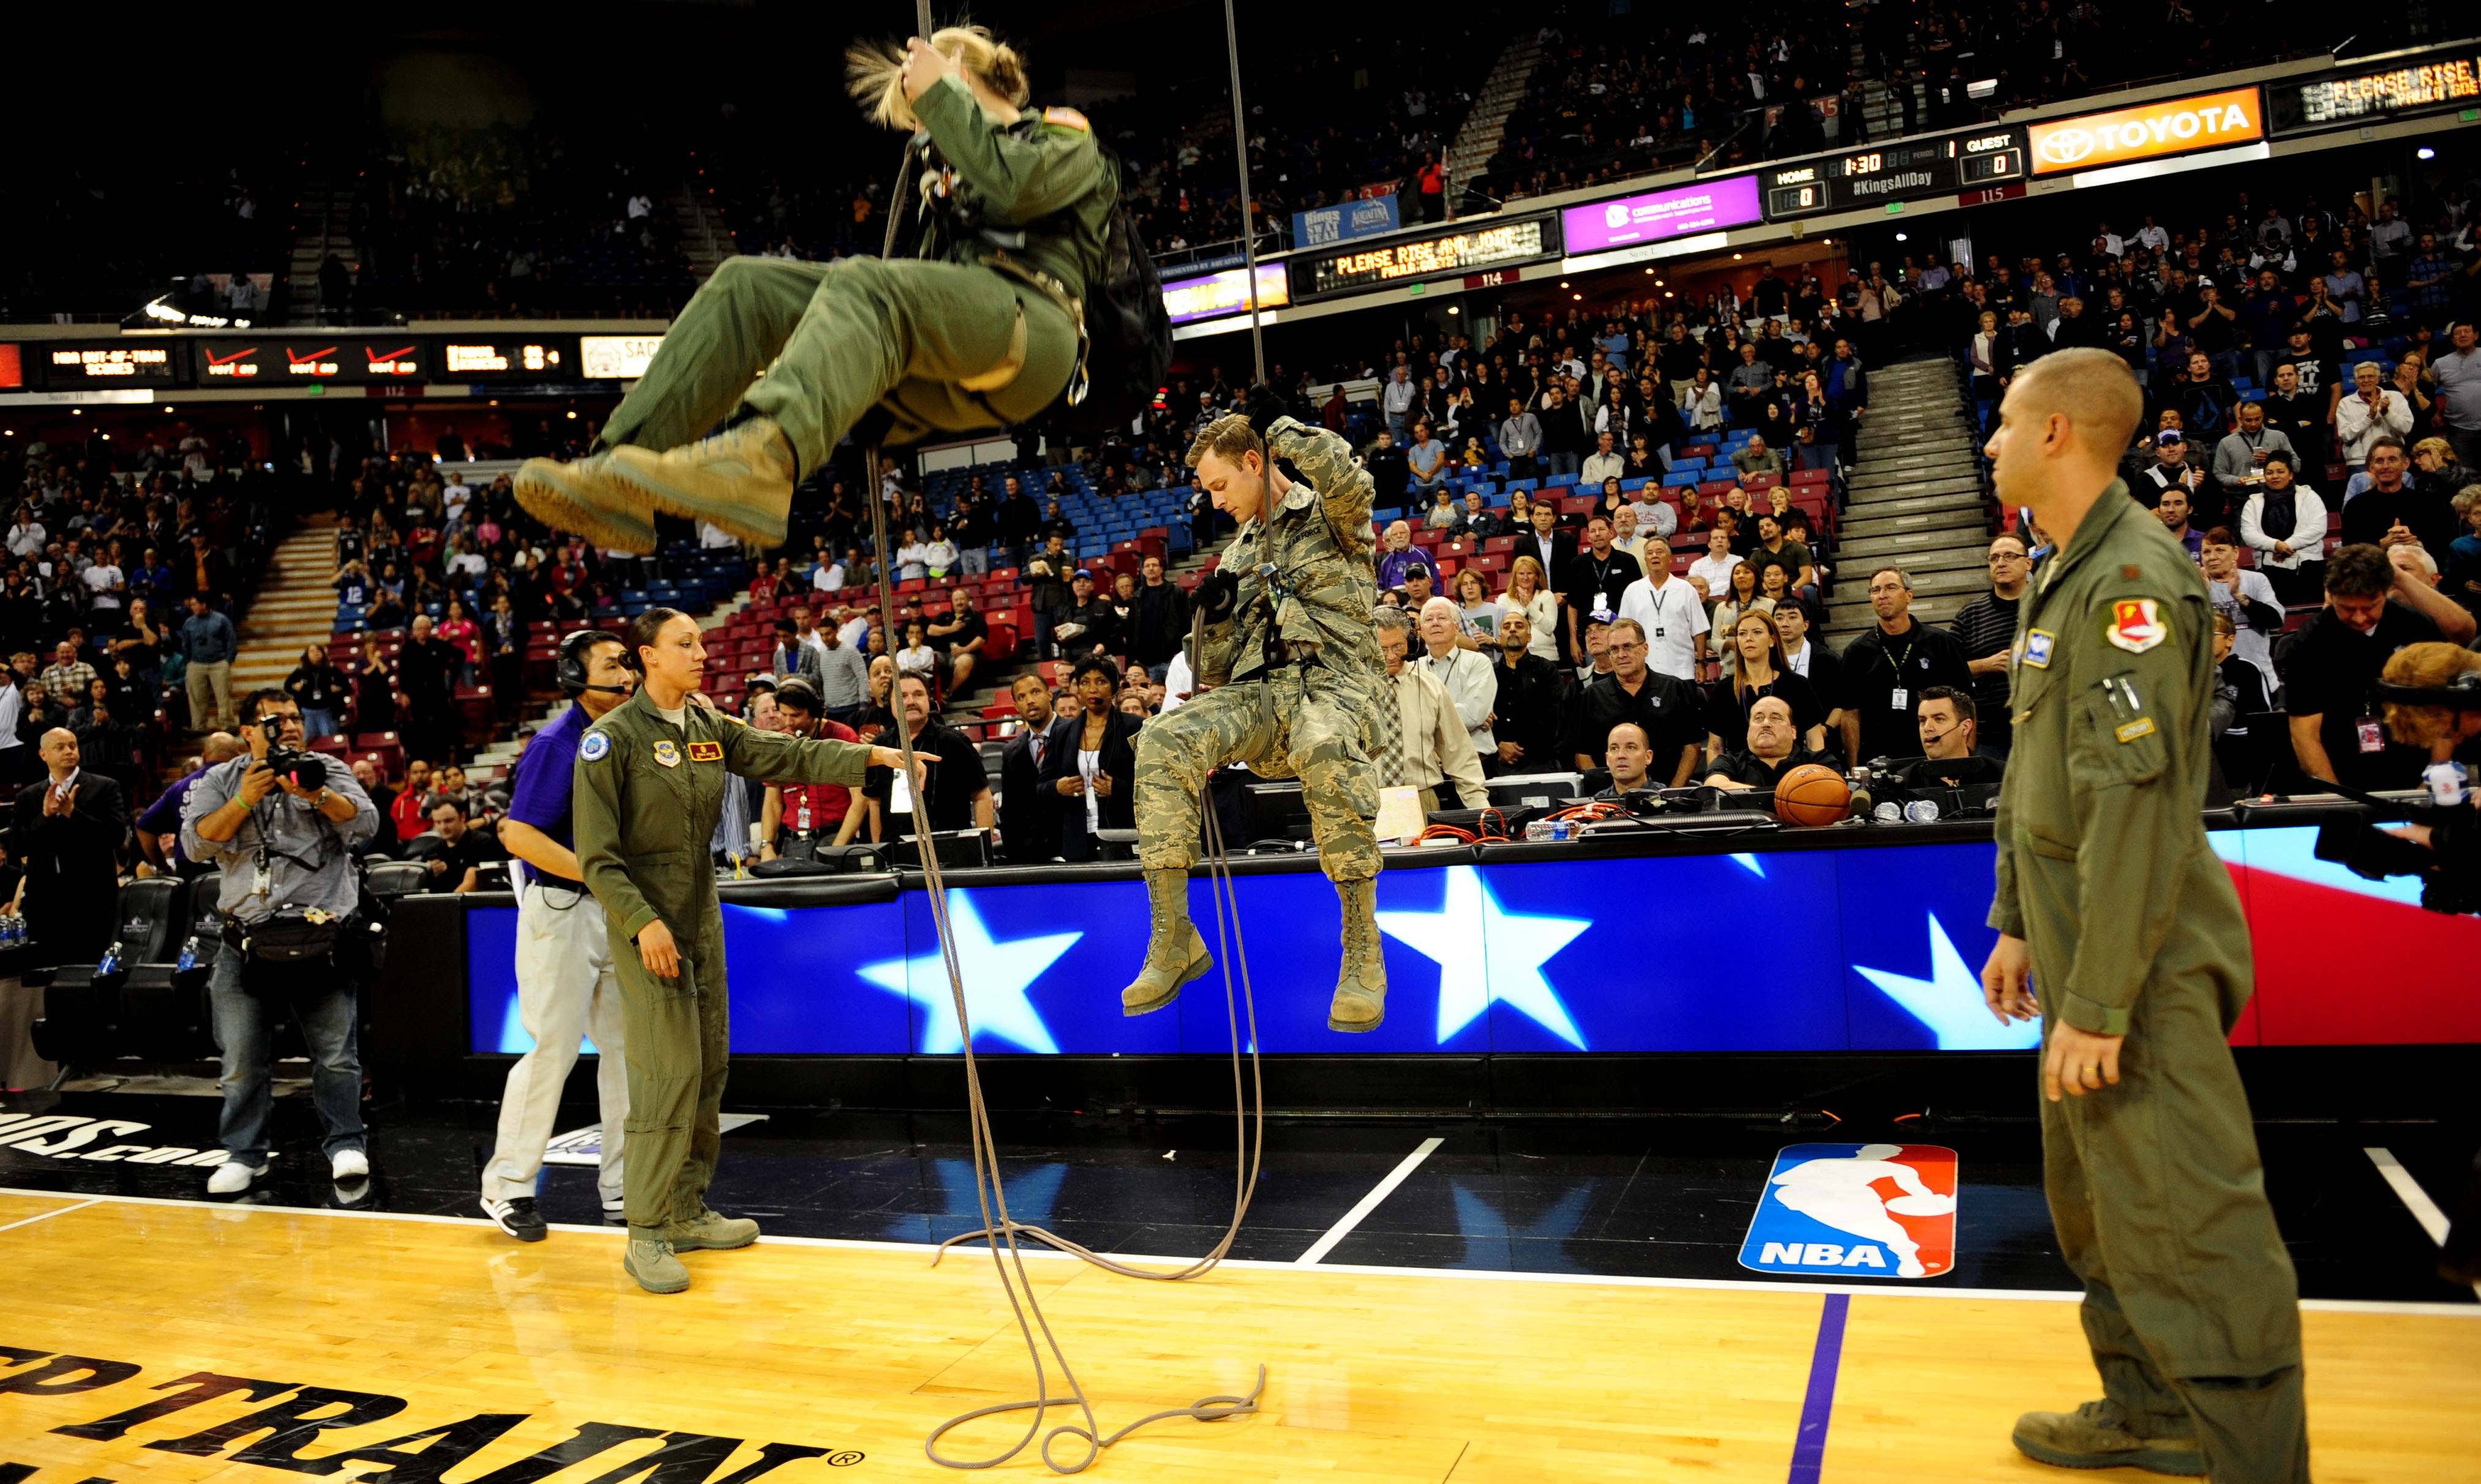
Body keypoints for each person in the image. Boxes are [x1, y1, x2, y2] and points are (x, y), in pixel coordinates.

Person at [1978, 345, 2308, 1482]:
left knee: (2193, 1224)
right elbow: (2041, 779)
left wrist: (2104, 998)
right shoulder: (2067, 569)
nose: (1993, 442)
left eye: (2008, 422)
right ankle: (2150, 1409)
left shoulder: (2131, 582)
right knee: (2102, 1204)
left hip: (2138, 967)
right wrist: (2016, 916)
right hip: (2077, 949)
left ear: (2058, 434)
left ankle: (2256, 1458)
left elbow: (2132, 808)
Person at [514, 27, 1106, 554]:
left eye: (923, 113)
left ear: (960, 73)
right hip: (966, 345)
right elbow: (928, 296)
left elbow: (1018, 189)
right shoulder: (952, 175)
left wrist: (943, 99)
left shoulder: (1061, 134)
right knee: (749, 286)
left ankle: (761, 460)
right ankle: (616, 476)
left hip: (1039, 326)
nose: (925, 132)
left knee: (862, 281)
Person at [572, 607, 925, 1293]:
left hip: (701, 915)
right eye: (685, 643)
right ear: (647, 657)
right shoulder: (609, 742)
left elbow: (787, 754)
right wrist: (643, 923)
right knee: (664, 1076)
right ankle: (645, 1231)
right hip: (647, 927)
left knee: (707, 1068)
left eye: (703, 640)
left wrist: (871, 755)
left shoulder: (707, 725)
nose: (702, 652)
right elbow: (597, 856)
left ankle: (686, 1210)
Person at [1128, 398, 1398, 1033]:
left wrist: (1279, 428)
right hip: (1260, 700)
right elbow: (1214, 674)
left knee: (1325, 745)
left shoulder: (1331, 516)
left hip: (1334, 690)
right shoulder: (1235, 555)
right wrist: (1213, 619)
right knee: (1160, 739)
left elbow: (1346, 476)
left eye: (1221, 484)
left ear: (1255, 462)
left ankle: (1362, 951)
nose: (1214, 500)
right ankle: (1174, 938)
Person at [179, 689, 381, 1196]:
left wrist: (314, 796)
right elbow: (195, 844)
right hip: (244, 940)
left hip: (321, 938)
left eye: (295, 718)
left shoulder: (325, 769)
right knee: (242, 1059)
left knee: (337, 1054)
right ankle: (245, 1154)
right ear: (248, 731)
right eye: (276, 720)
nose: (290, 726)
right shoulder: (220, 779)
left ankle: (345, 1143)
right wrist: (245, 798)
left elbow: (368, 823)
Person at [479, 630, 639, 1240]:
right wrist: (601, 875)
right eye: (612, 665)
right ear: (578, 680)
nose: (626, 673)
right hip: (563, 907)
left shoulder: (623, 735)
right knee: (554, 1049)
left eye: (628, 662)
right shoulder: (556, 743)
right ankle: (507, 1187)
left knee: (627, 1052)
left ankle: (623, 1186)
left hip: (611, 911)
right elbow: (517, 836)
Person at [2278, 544, 2446, 793]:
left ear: (2386, 591)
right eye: (2347, 608)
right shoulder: (2308, 643)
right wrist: (2336, 798)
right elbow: (2305, 734)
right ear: (2331, 595)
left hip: (2415, 765)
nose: (2359, 618)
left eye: (2369, 607)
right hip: (2342, 769)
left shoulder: (2418, 626)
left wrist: (2432, 779)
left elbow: (2444, 713)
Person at [10, 727, 129, 967]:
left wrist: (73, 815)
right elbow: (16, 846)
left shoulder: (105, 787)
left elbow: (116, 836)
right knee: (49, 980)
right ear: (43, 755)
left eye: (73, 746)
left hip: (92, 902)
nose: (69, 751)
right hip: (45, 905)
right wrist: (44, 817)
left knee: (92, 976)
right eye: (60, 747)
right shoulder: (28, 797)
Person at [1840, 568, 1972, 764]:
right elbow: (1850, 715)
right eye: (1875, 590)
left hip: (1937, 756)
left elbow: (1967, 704)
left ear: (1909, 595)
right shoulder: (1856, 652)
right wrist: (1854, 768)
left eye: (1891, 588)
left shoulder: (1941, 642)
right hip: (1879, 759)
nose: (1882, 595)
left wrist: (1968, 756)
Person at [850, 672, 994, 842]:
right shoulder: (880, 746)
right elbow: (874, 802)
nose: (911, 702)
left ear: (929, 700)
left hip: (951, 849)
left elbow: (982, 796)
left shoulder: (955, 742)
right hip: (897, 852)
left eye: (918, 694)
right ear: (890, 703)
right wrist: (880, 852)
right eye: (902, 696)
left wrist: (985, 849)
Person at [1375, 606, 1488, 815]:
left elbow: (1459, 753)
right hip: (1367, 801)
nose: (1390, 656)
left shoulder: (1430, 686)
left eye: (1397, 646)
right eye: (1382, 649)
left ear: (1411, 642)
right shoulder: (1351, 689)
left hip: (1421, 799)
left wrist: (1481, 810)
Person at [1570, 618, 1701, 784]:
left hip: (1668, 792)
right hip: (1612, 800)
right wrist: (1608, 795)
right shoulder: (1590, 696)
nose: (1621, 655)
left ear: (1645, 649)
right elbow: (1582, 754)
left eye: (1628, 647)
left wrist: (1673, 792)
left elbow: (1692, 747)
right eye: (1614, 649)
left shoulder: (1674, 689)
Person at [1037, 654, 1140, 860]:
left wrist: (1118, 788)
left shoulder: (1135, 727)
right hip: (1076, 839)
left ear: (1114, 688)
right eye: (1085, 682)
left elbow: (1154, 783)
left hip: (1124, 834)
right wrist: (1058, 787)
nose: (1092, 689)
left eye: (1101, 681)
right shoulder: (1062, 733)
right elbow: (1040, 788)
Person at [1703, 610, 1825, 762]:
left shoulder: (1797, 685)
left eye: (1757, 632)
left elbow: (1815, 741)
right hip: (1739, 776)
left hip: (1791, 772)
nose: (1748, 639)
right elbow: (1716, 747)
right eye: (1742, 634)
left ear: (1772, 640)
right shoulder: (1723, 690)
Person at [1949, 534, 2028, 758]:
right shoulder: (1969, 616)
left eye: (2010, 556)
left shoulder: (2050, 604)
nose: (2001, 563)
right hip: (1991, 737)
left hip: (2047, 728)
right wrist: (1987, 665)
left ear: (2028, 563)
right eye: (1994, 558)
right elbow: (1948, 671)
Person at [2237, 454, 2328, 605]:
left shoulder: (2309, 496)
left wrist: (2287, 545)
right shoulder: (2254, 502)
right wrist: (2275, 546)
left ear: (2291, 475)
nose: (2275, 476)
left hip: (2308, 567)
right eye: (2270, 473)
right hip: (2269, 568)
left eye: (2280, 472)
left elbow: (2318, 528)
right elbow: (2249, 535)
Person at [1615, 538, 1708, 681]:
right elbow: (1623, 631)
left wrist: (1701, 663)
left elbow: (1699, 629)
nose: (1655, 556)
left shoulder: (1686, 589)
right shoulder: (1632, 591)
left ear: (1670, 558)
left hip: (1682, 670)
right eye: (1650, 553)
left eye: (1659, 552)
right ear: (1645, 559)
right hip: (1644, 671)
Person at [1701, 695, 1831, 795]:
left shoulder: (1819, 761)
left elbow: (1832, 791)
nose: (1766, 724)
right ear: (1749, 730)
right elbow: (1713, 787)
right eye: (1758, 718)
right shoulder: (1729, 762)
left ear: (1793, 732)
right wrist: (1781, 798)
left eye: (1776, 718)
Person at [1487, 609, 1564, 776]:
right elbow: (1483, 716)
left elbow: (1553, 714)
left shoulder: (1546, 669)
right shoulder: (1488, 674)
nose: (1513, 629)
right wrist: (1499, 744)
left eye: (1519, 625)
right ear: (1499, 638)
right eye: (1507, 626)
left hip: (1542, 759)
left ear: (1529, 638)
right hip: (1498, 761)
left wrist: (1518, 746)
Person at [997, 672, 1063, 864]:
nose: (1030, 701)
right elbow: (1009, 811)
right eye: (1022, 697)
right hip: (1030, 855)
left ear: (1050, 695)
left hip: (1074, 849)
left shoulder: (1077, 733)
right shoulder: (1011, 751)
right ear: (1016, 706)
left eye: (1035, 692)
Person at [1895, 688, 2005, 788]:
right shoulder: (1903, 782)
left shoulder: (2002, 775)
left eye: (1939, 719)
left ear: (1965, 727)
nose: (1927, 728)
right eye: (1923, 721)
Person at [180, 593, 237, 732]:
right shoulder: (189, 623)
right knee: (197, 698)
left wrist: (228, 660)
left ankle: (228, 724)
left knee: (223, 696)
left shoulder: (221, 620)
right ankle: (199, 726)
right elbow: (185, 645)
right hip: (196, 664)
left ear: (203, 605)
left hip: (218, 663)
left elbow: (231, 641)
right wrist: (189, 663)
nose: (191, 607)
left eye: (194, 604)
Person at [285, 642, 351, 741]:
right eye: (312, 651)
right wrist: (295, 687)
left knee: (329, 741)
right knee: (307, 744)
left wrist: (339, 689)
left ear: (323, 654)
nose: (316, 653)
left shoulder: (332, 669)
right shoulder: (300, 671)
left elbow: (347, 687)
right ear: (307, 655)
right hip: (307, 713)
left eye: (318, 651)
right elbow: (287, 686)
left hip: (328, 712)